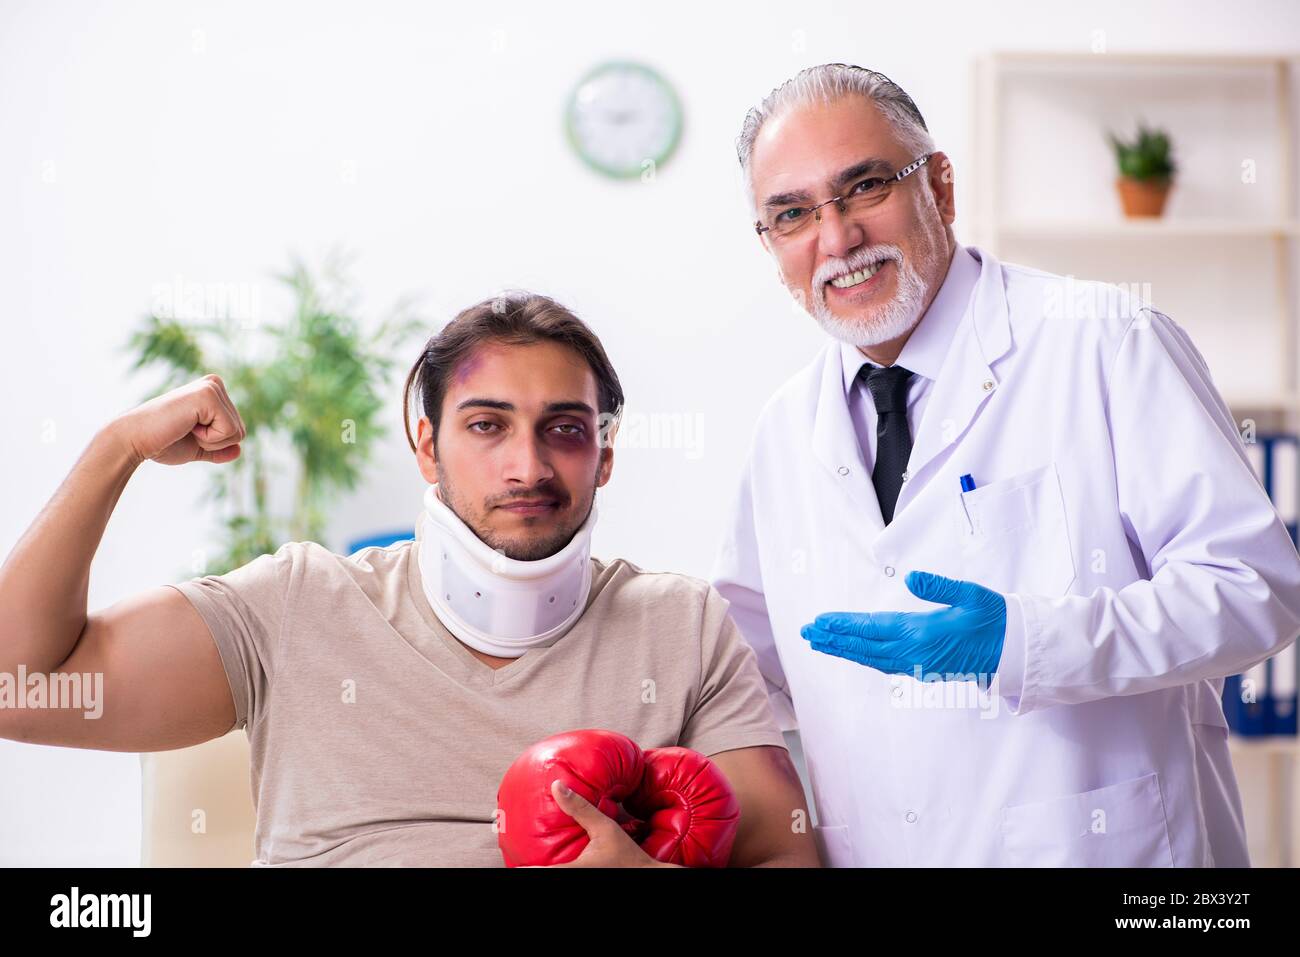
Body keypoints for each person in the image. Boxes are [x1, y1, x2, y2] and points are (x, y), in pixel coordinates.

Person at [711, 63, 1300, 867]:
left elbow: (1254, 589)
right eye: (792, 213)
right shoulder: (785, 428)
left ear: (940, 188)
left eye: (866, 187)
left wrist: (1024, 641)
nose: (837, 237)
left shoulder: (1104, 340)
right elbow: (741, 668)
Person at [0, 291, 818, 868]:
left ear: (604, 455)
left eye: (563, 429)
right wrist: (119, 447)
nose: (526, 465)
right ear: (426, 445)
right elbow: (16, 685)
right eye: (486, 425)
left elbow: (785, 854)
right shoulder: (298, 606)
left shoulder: (679, 624)